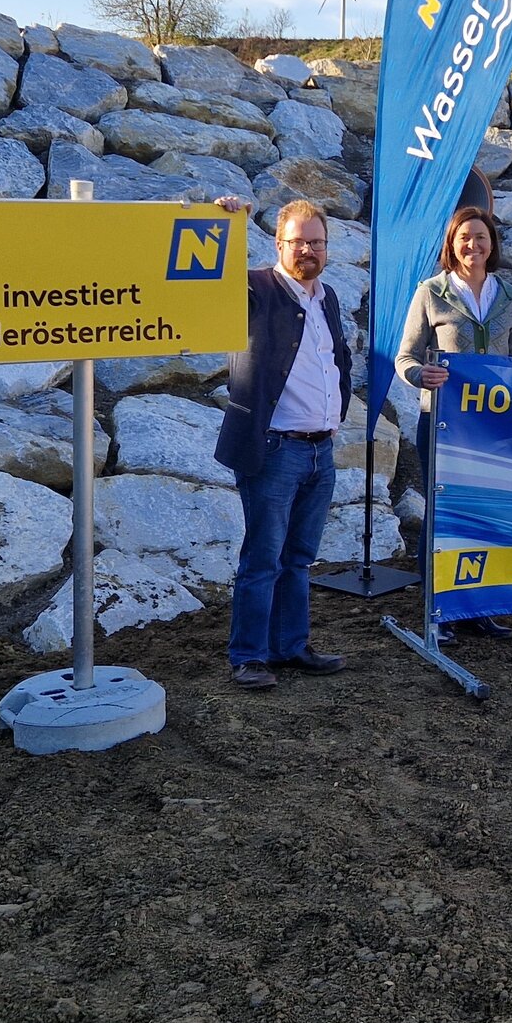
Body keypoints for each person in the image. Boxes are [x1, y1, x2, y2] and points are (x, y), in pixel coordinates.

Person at [397, 206, 512, 641]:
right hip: (442, 423)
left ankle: (478, 605)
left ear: (493, 243)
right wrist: (421, 375)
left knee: (484, 511)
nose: (473, 245)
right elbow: (406, 357)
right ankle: (440, 607)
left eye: (481, 237)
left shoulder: (508, 295)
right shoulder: (430, 292)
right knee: (442, 515)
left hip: (493, 428)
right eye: (465, 238)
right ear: (452, 245)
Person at [212, 197, 351, 690]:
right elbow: (213, 283)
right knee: (263, 558)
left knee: (298, 558)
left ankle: (291, 647)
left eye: (316, 242)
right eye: (299, 242)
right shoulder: (254, 288)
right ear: (279, 244)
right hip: (274, 450)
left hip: (321, 450)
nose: (309, 250)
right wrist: (230, 223)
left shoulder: (327, 296)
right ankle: (248, 657)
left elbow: (337, 360)